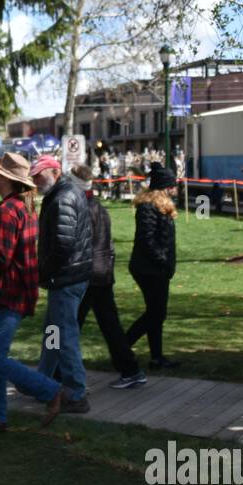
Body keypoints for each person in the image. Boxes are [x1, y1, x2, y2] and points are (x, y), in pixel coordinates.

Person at [0, 152, 68, 432]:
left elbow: (0, 257)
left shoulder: (7, 211)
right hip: (17, 289)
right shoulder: (22, 207)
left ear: (7, 180)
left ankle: (50, 390)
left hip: (11, 290)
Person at [69, 165, 147, 390]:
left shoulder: (83, 208)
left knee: (65, 324)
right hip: (102, 273)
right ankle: (130, 368)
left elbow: (79, 244)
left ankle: (55, 372)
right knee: (110, 324)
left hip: (88, 275)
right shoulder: (98, 207)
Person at [30, 154, 93, 418]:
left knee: (63, 335)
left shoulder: (63, 197)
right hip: (69, 276)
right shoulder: (62, 193)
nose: (35, 180)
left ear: (54, 172)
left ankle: (76, 393)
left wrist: (42, 271)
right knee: (54, 331)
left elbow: (63, 245)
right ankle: (41, 382)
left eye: (39, 175)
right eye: (33, 176)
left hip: (67, 277)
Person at [126, 164, 179, 369]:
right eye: (172, 185)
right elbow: (146, 239)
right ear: (165, 187)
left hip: (155, 268)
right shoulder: (148, 206)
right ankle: (123, 346)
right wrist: (163, 260)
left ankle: (156, 357)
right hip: (149, 268)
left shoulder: (160, 205)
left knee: (156, 313)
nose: (175, 189)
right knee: (156, 314)